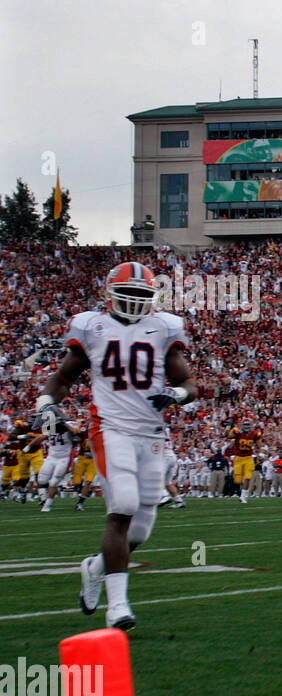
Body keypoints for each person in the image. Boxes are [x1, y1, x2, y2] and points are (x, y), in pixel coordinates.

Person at [33, 261, 198, 631]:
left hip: (152, 434)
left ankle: (95, 566)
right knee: (122, 505)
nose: (136, 302)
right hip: (110, 428)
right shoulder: (93, 327)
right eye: (129, 294)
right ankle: (118, 606)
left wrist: (175, 394)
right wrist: (46, 403)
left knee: (139, 530)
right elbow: (63, 376)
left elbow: (189, 383)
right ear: (109, 295)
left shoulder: (163, 328)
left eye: (142, 295)